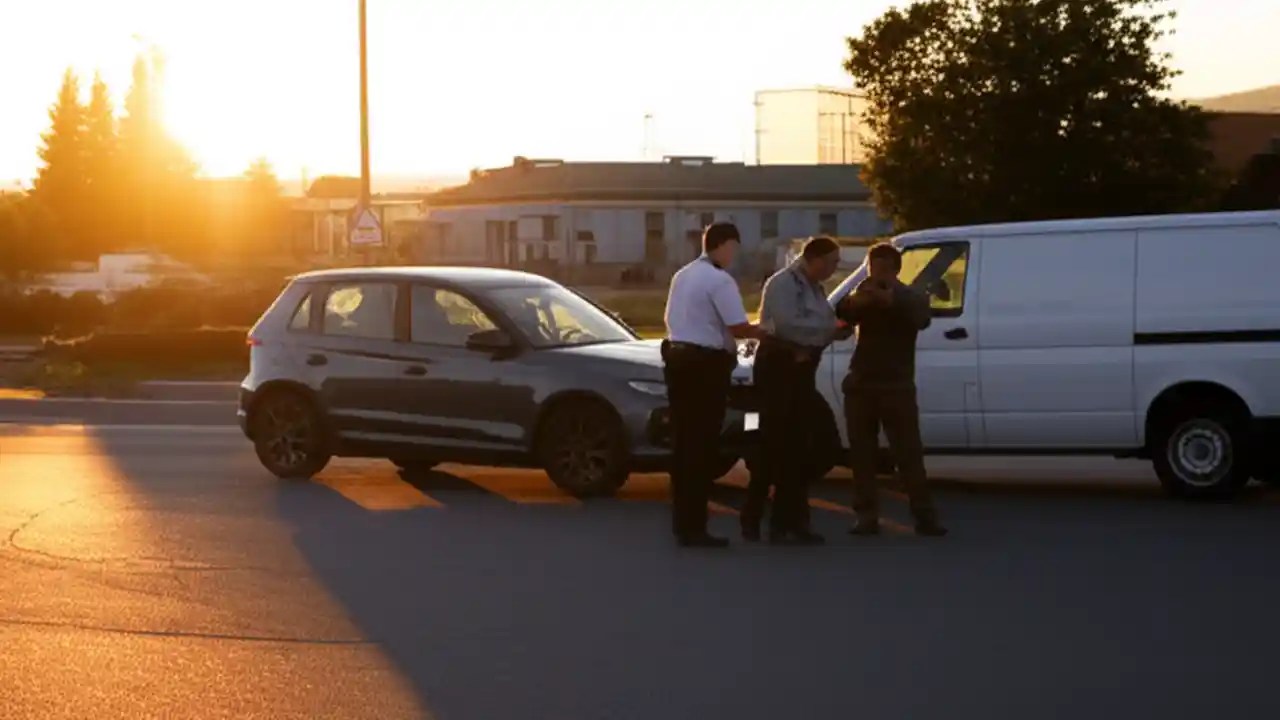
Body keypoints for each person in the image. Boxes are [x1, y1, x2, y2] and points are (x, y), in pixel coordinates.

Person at [836, 242, 947, 537]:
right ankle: (866, 516)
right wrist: (861, 299)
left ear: (896, 270)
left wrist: (892, 300)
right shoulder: (863, 295)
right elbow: (841, 313)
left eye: (883, 270)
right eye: (873, 269)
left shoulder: (910, 297)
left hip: (896, 387)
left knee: (908, 455)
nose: (877, 275)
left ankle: (925, 516)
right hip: (861, 385)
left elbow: (921, 318)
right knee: (862, 456)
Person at [662, 222, 760, 548]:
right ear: (724, 244)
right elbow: (739, 326)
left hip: (677, 363)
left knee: (684, 447)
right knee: (702, 447)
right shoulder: (720, 280)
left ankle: (683, 523)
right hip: (705, 368)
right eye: (734, 247)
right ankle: (696, 528)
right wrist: (772, 330)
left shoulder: (683, 275)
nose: (735, 255)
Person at [743, 236, 845, 545]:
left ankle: (791, 519)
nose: (834, 269)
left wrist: (825, 331)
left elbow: (824, 322)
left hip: (803, 371)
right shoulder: (784, 284)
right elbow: (789, 325)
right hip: (778, 369)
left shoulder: (816, 289)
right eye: (832, 262)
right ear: (814, 259)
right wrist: (826, 331)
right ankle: (760, 519)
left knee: (810, 446)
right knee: (774, 447)